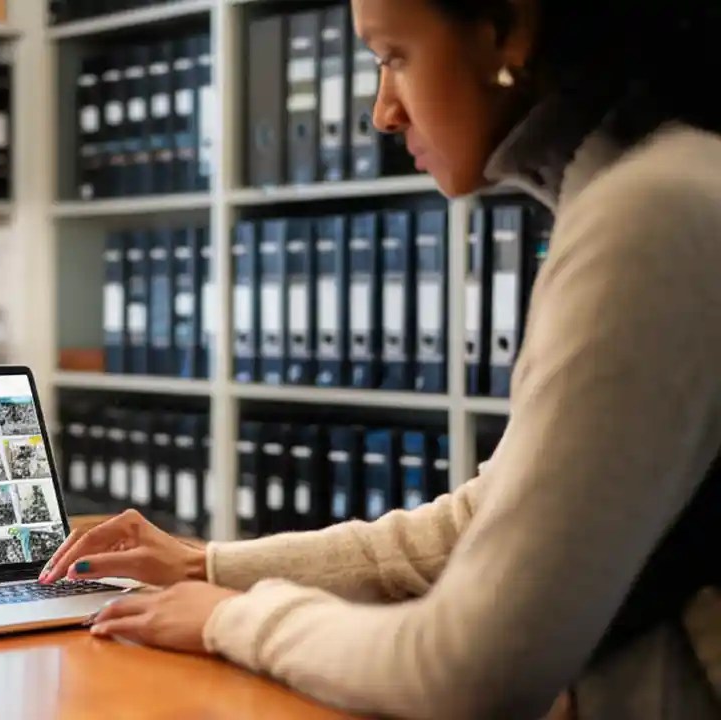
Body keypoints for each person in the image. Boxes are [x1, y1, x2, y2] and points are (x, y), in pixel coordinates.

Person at [41, 0, 721, 717]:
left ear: (509, 30)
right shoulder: (662, 183)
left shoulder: (649, 215)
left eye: (395, 57)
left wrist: (230, 619)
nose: (382, 114)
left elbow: (464, 671)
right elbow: (479, 523)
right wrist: (203, 565)